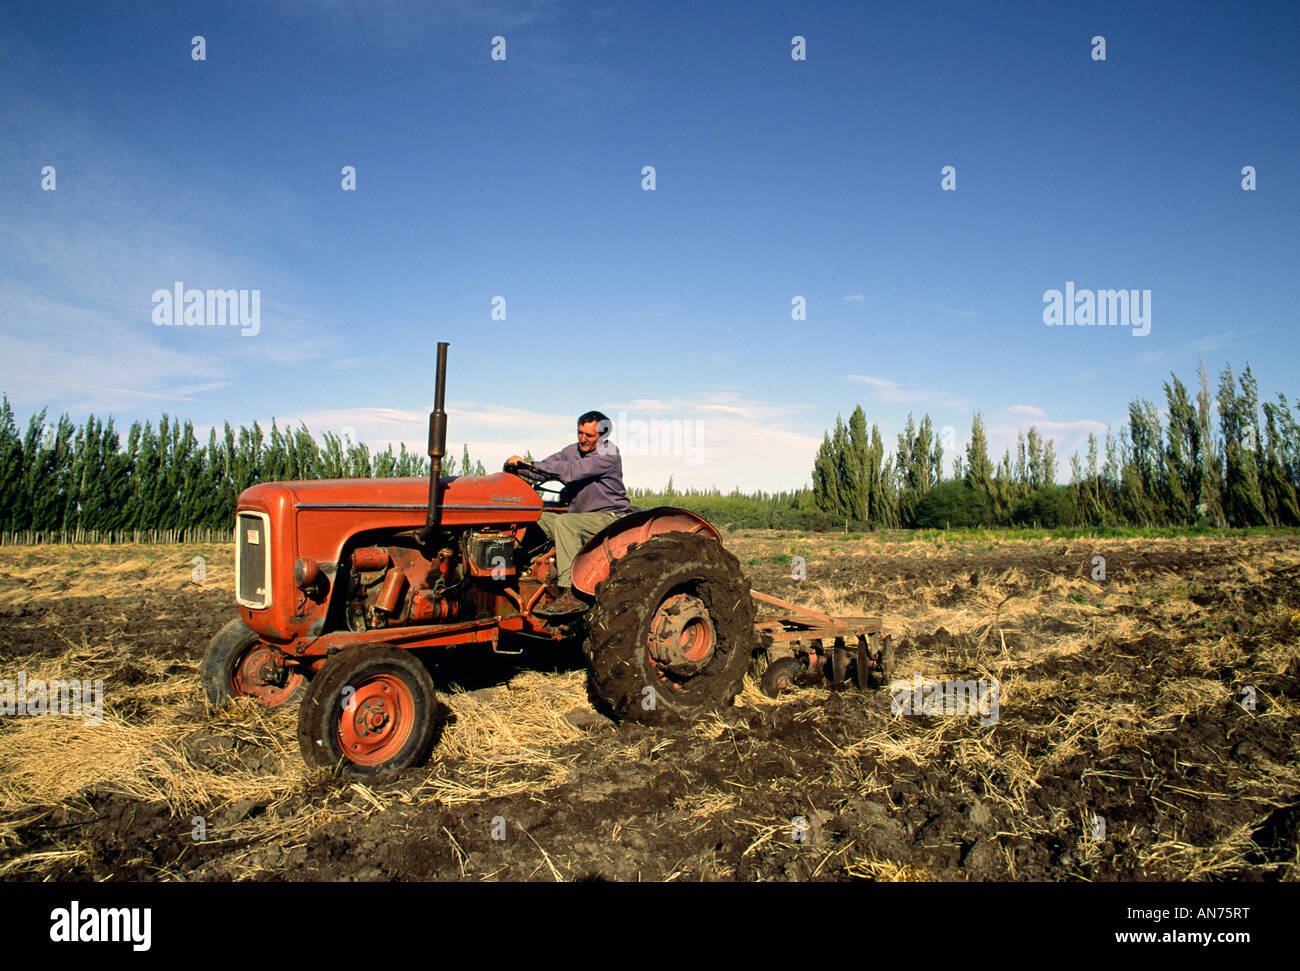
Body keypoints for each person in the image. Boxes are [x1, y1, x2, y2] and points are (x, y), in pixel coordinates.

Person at [506, 410, 632, 615]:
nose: (583, 439)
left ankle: (573, 592)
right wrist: (519, 468)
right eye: (580, 433)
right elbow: (546, 468)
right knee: (533, 515)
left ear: (604, 436)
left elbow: (572, 472)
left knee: (566, 523)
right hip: (582, 517)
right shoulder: (571, 450)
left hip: (610, 518)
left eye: (589, 436)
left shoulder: (608, 454)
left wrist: (531, 465)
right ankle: (520, 570)